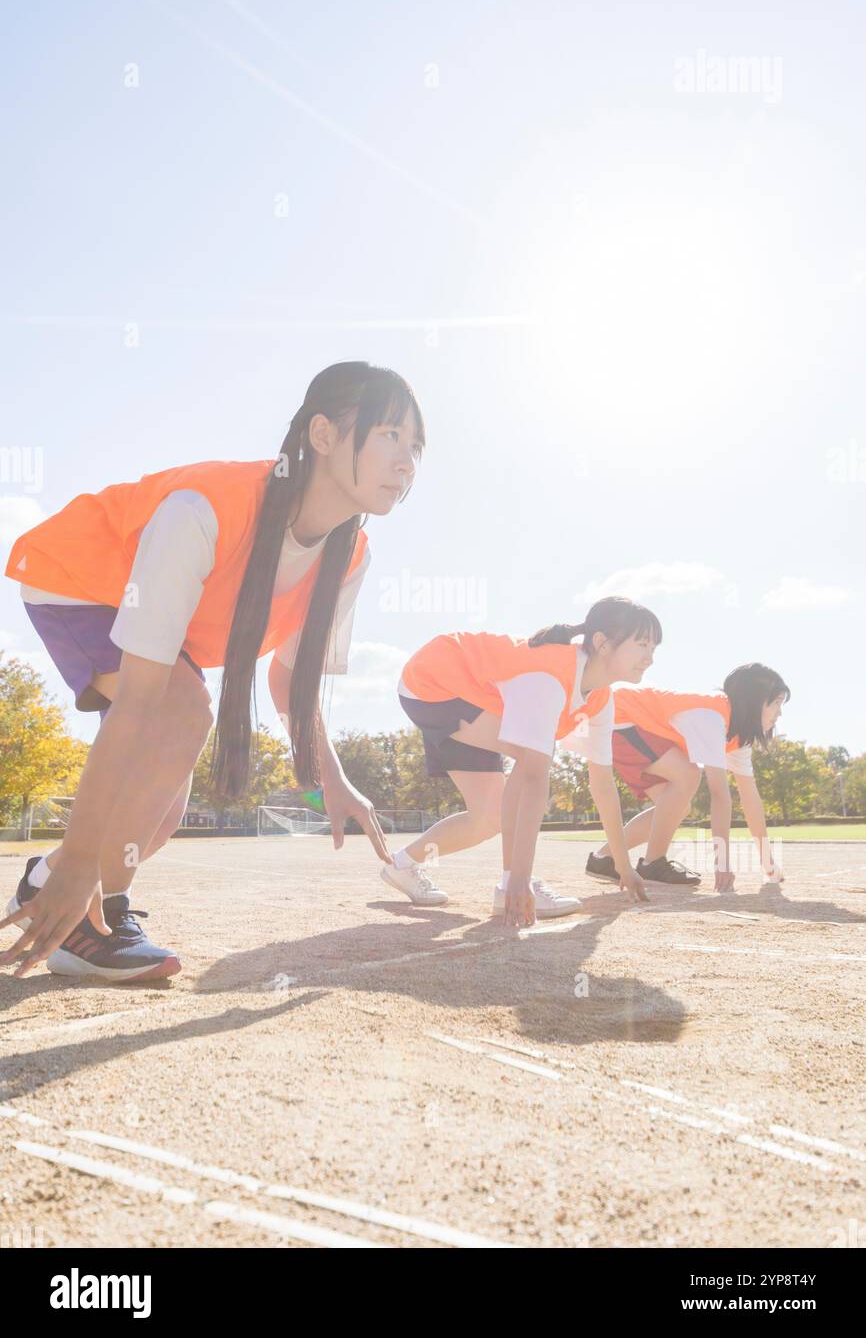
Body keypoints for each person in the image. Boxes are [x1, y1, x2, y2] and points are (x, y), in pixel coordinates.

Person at [1, 362, 423, 979]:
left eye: (416, 446)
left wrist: (329, 776)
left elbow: (287, 679)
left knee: (160, 819)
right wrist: (82, 867)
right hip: (81, 579)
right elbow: (143, 705)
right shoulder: (203, 511)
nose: (407, 461)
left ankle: (45, 878)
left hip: (170, 632)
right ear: (324, 434)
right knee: (181, 712)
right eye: (390, 435)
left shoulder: (350, 552)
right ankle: (90, 920)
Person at [384, 597, 661, 926]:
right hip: (433, 680)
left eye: (654, 647)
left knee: (487, 817)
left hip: (478, 696)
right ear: (601, 642)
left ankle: (402, 865)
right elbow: (532, 776)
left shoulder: (600, 700)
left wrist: (624, 867)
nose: (650, 658)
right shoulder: (548, 678)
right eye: (642, 644)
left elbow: (602, 786)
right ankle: (509, 885)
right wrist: (518, 880)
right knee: (530, 756)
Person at [586, 665, 789, 891]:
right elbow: (719, 795)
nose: (780, 713)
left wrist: (767, 862)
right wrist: (722, 864)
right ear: (754, 700)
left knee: (676, 805)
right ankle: (653, 863)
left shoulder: (737, 738)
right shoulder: (712, 717)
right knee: (688, 775)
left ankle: (603, 858)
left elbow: (750, 799)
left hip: (630, 725)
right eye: (777, 703)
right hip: (617, 716)